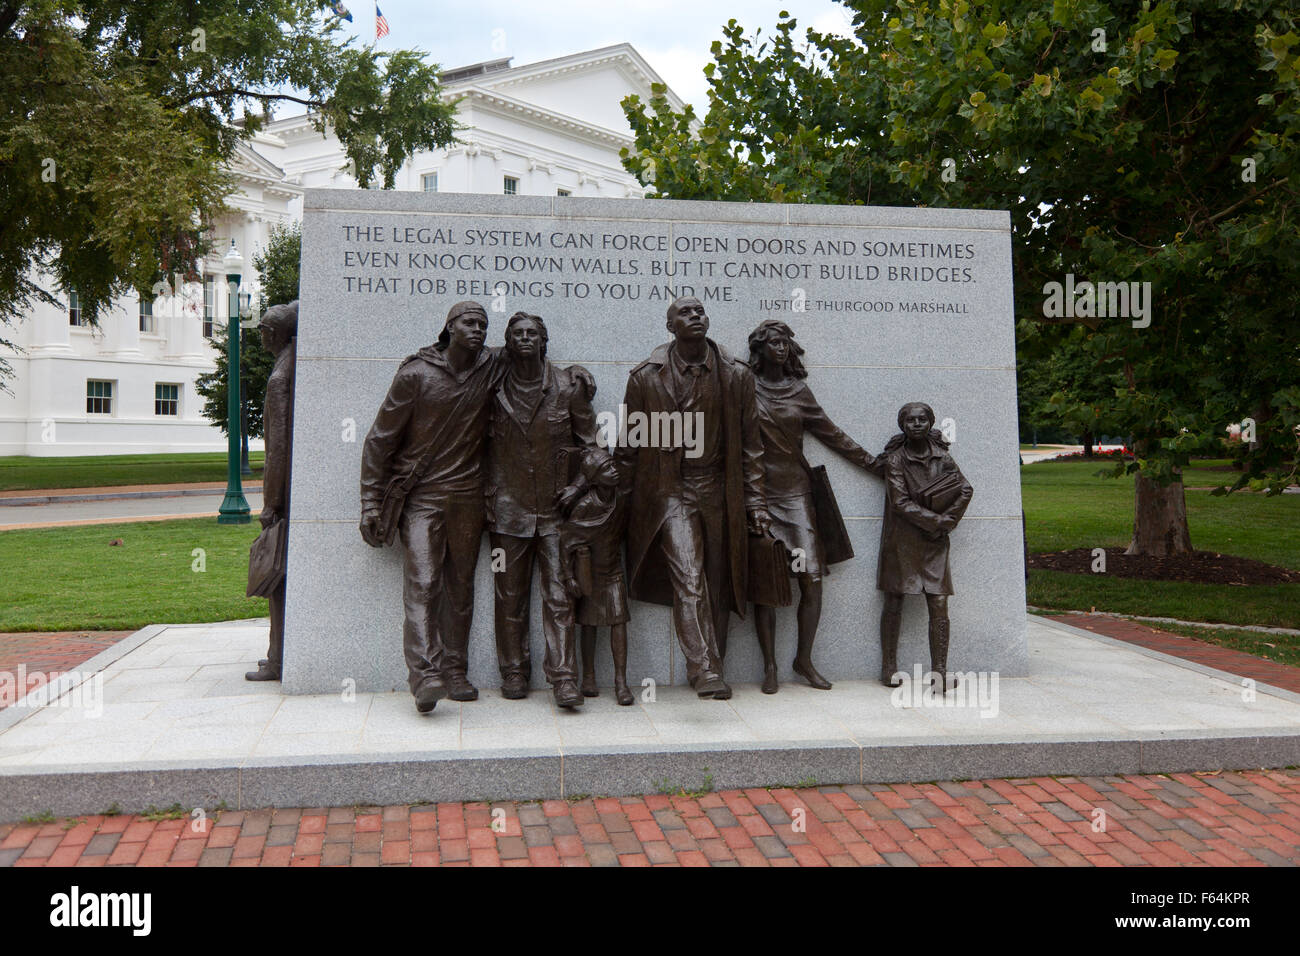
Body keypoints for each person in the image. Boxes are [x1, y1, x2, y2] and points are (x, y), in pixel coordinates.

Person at [617, 296, 771, 700]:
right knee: (689, 576)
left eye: (700, 311)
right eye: (685, 313)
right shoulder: (645, 378)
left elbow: (752, 447)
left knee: (718, 582)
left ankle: (713, 665)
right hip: (669, 492)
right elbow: (630, 447)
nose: (695, 317)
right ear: (670, 327)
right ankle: (703, 670)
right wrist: (618, 504)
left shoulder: (736, 375)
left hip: (720, 490)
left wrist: (755, 502)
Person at [359, 301, 507, 713]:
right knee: (423, 583)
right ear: (449, 328)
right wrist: (371, 502)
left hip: (469, 496)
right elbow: (379, 440)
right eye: (469, 323)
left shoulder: (492, 368)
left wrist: (575, 378)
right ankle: (425, 674)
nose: (478, 330)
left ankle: (455, 670)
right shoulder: (415, 375)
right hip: (422, 497)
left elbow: (533, 361)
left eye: (483, 324)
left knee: (460, 587)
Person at [745, 319, 882, 693]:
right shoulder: (745, 389)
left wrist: (873, 464)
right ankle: (770, 665)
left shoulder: (799, 392)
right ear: (759, 349)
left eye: (785, 343)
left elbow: (832, 434)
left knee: (812, 578)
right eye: (773, 342)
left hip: (796, 495)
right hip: (758, 498)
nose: (781, 348)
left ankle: (803, 659)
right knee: (767, 585)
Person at [485, 312, 599, 709]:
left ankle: (565, 678)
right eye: (517, 334)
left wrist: (578, 486)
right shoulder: (492, 385)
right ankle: (513, 670)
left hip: (556, 513)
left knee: (560, 597)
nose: (525, 338)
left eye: (533, 333)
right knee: (508, 596)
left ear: (544, 339)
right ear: (508, 343)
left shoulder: (568, 386)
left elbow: (593, 448)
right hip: (505, 511)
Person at [877, 402, 973, 692]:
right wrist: (936, 521)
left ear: (930, 424)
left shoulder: (942, 458)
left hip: (934, 542)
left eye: (922, 419)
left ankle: (940, 672)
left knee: (939, 601)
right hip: (901, 540)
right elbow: (900, 502)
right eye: (910, 420)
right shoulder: (895, 460)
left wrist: (948, 522)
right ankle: (888, 667)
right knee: (895, 600)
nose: (916, 424)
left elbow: (965, 489)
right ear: (902, 425)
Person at [246, 300, 298, 682]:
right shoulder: (296, 364)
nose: (261, 335)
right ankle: (278, 654)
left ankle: (279, 658)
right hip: (297, 495)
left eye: (265, 328)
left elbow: (277, 448)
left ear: (277, 333)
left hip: (287, 499)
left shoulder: (281, 377)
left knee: (277, 579)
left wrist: (272, 503)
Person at [559, 447, 634, 706]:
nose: (614, 470)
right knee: (588, 622)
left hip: (613, 570)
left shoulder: (621, 498)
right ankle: (588, 676)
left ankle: (621, 682)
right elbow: (566, 541)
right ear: (593, 478)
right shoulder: (584, 507)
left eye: (613, 465)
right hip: (589, 571)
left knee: (619, 622)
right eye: (606, 468)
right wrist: (569, 577)